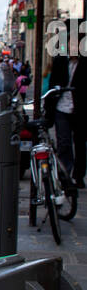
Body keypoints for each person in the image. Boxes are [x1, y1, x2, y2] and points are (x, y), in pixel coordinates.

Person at [49, 42, 87, 187]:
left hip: (80, 110)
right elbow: (53, 83)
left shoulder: (84, 63)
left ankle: (78, 175)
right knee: (63, 142)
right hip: (61, 107)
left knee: (79, 143)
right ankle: (65, 174)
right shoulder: (60, 61)